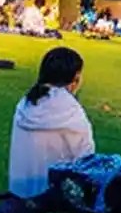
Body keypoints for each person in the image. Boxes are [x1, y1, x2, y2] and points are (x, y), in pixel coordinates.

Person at [8, 47, 95, 198]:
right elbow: (86, 157)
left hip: (19, 191)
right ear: (75, 77)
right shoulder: (69, 109)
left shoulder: (26, 102)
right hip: (54, 196)